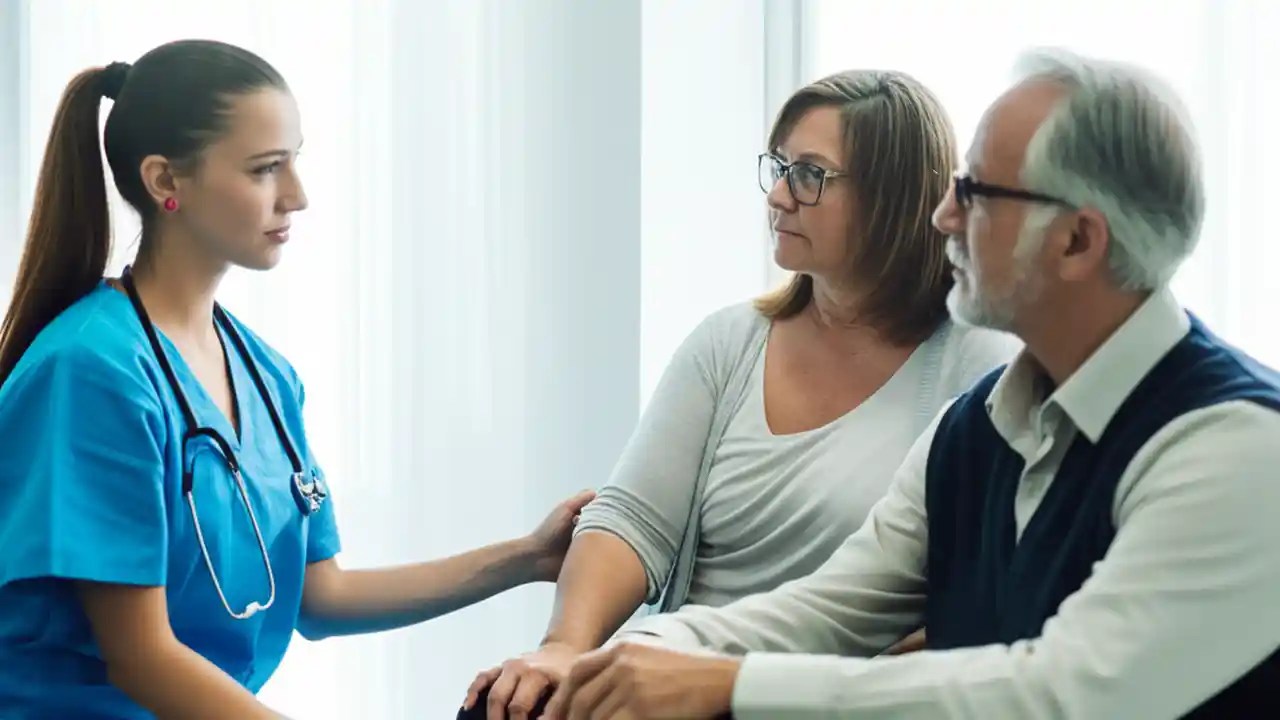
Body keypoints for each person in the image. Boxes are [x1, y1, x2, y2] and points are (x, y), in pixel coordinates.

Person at [535, 47, 1280, 720]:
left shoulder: (1238, 445)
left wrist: (729, 686)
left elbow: (1069, 694)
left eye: (977, 193)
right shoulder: (975, 428)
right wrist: (630, 659)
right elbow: (826, 607)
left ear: (1078, 240)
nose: (942, 215)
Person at [0, 40, 595, 720]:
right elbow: (142, 658)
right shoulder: (91, 372)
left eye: (295, 161)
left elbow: (320, 598)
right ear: (166, 181)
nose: (297, 196)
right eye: (265, 169)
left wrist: (525, 557)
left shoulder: (267, 376)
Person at [462, 69, 1022, 719]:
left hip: (826, 696)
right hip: (677, 674)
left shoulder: (979, 365)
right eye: (780, 166)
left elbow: (967, 613)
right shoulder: (729, 342)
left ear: (892, 198)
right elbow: (631, 522)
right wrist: (564, 647)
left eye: (810, 174)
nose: (779, 196)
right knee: (500, 707)